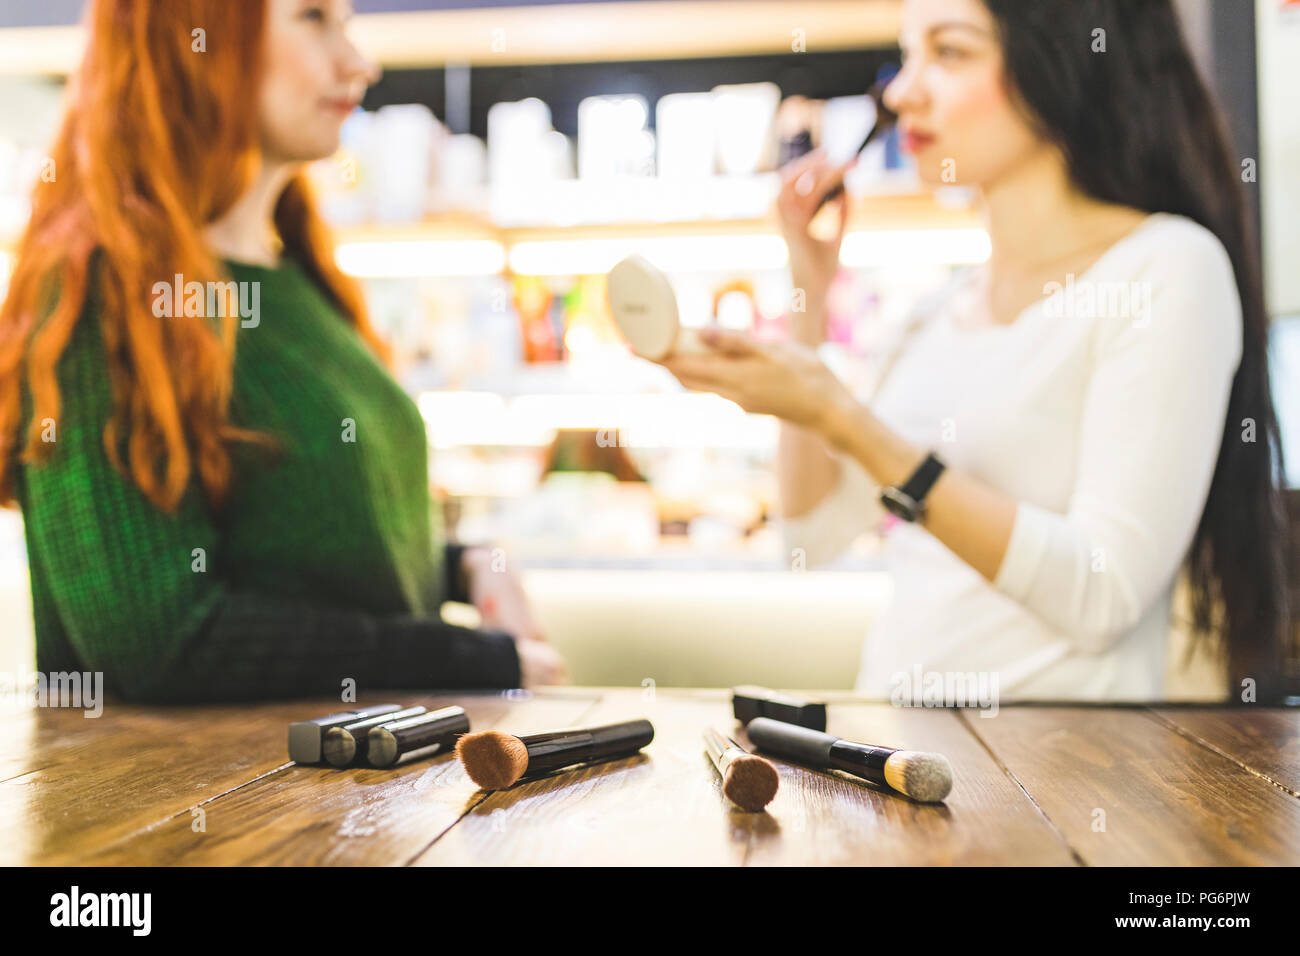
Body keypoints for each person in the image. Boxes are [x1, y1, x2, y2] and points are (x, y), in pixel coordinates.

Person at [661, 0, 1290, 703]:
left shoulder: (1167, 267)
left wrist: (844, 419)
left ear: (1062, 62)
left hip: (1061, 786)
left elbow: (1103, 593)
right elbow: (811, 537)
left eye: (950, 52)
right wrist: (808, 291)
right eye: (906, 55)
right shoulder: (934, 313)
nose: (901, 92)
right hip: (900, 763)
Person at [0, 0, 567, 703]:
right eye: (312, 17)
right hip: (199, 809)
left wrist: (464, 565)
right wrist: (464, 658)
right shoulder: (99, 294)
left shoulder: (298, 276)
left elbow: (304, 551)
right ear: (193, 38)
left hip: (344, 798)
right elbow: (165, 640)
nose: (360, 62)